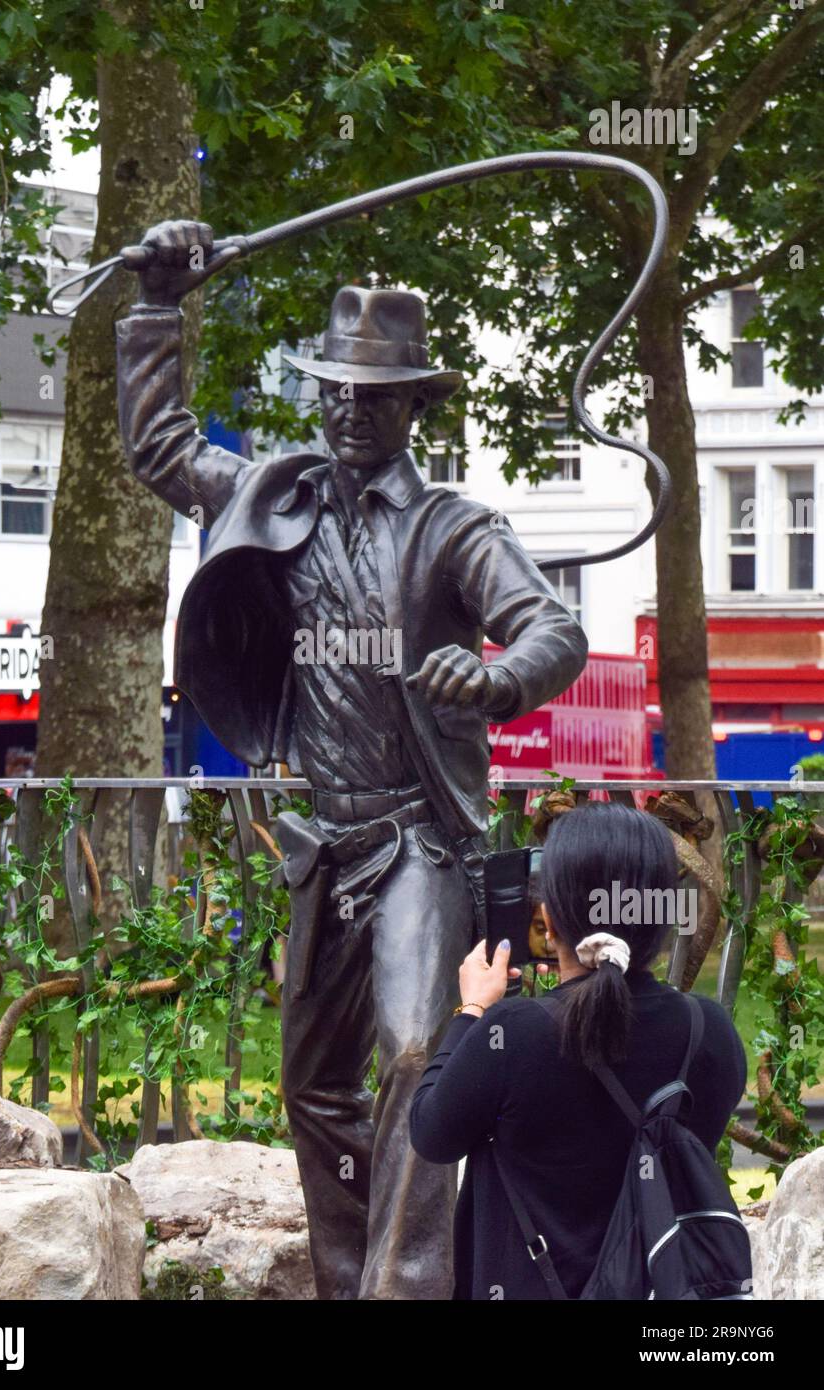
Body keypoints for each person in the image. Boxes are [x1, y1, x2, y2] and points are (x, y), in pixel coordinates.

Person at [116, 220, 589, 1299]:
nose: (346, 410)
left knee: (421, 1055)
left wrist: (498, 677)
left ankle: (405, 1291)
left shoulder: (454, 528)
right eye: (332, 389)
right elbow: (158, 447)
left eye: (372, 396)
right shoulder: (270, 494)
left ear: (417, 404)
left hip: (419, 840)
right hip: (326, 847)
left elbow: (552, 629)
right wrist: (155, 304)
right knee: (313, 1087)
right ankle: (348, 1278)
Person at [409, 801, 747, 1301]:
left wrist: (473, 1010)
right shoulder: (709, 1032)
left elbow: (430, 1132)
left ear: (549, 917)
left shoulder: (513, 1033)